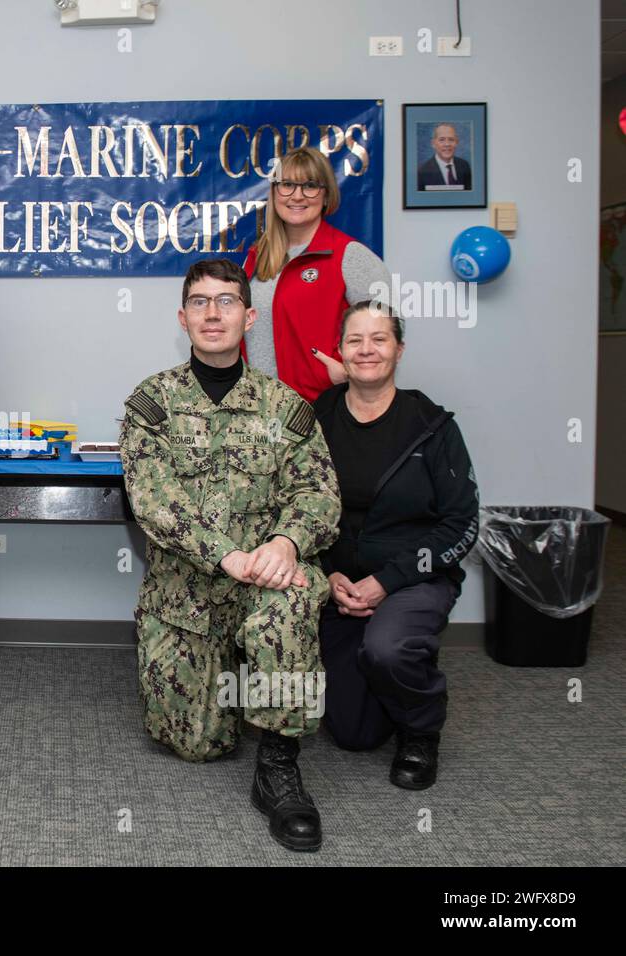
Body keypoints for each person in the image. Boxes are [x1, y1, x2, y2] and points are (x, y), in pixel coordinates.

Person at [120, 257, 341, 853]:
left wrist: (285, 543)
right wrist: (226, 555)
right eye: (199, 302)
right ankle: (243, 680)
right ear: (182, 317)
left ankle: (279, 766)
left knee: (289, 605)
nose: (212, 313)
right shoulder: (153, 403)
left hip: (266, 578)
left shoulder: (285, 406)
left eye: (225, 302)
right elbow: (152, 500)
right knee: (196, 746)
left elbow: (318, 494)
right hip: (187, 591)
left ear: (249, 317)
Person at [314, 301, 479, 790]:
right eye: (355, 340)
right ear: (341, 351)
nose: (366, 350)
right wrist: (326, 573)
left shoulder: (433, 426)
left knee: (387, 651)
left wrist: (387, 582)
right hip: (339, 583)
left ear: (399, 350)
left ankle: (421, 729)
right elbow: (288, 505)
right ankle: (387, 680)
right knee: (354, 734)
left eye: (379, 339)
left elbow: (462, 523)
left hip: (412, 578)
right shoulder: (315, 420)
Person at [243, 146, 391, 404]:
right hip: (260, 411)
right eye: (287, 184)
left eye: (310, 185)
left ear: (326, 195)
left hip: (324, 408)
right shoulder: (258, 257)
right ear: (275, 192)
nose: (297, 196)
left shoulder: (349, 255)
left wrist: (349, 372)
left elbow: (388, 330)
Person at [416, 123, 472, 191]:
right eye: (442, 140)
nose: (447, 144)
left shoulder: (464, 165)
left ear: (456, 142)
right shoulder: (422, 173)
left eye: (451, 139)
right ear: (433, 144)